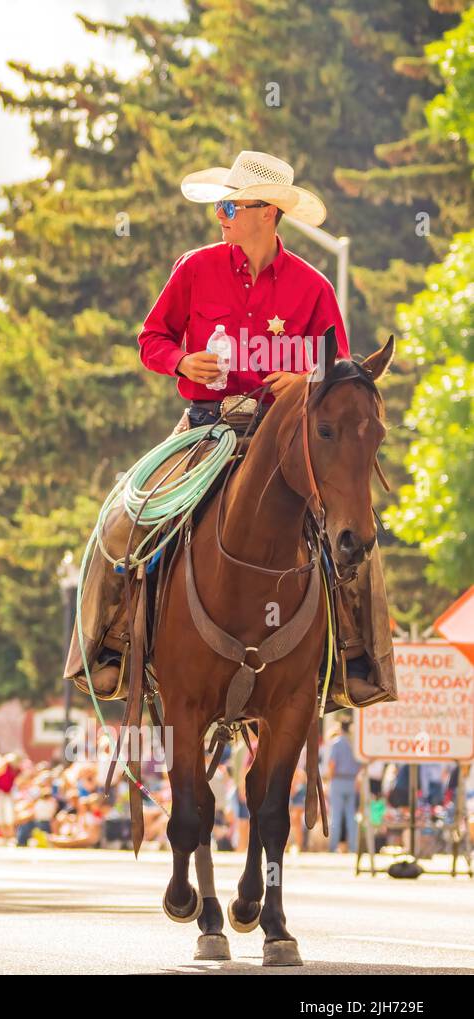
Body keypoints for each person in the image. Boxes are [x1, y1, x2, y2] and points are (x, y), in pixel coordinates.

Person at [65, 150, 395, 712]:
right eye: (220, 206)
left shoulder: (313, 288)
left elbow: (340, 376)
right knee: (127, 515)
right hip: (205, 427)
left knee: (356, 533)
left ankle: (358, 660)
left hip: (288, 439)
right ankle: (107, 647)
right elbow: (152, 338)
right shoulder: (195, 269)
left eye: (229, 207)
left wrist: (303, 378)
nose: (220, 217)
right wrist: (180, 363)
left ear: (266, 213)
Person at [327, 719, 362, 853]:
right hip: (352, 781)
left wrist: (329, 779)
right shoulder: (354, 744)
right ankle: (353, 847)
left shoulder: (337, 743)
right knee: (350, 816)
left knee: (335, 815)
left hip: (338, 780)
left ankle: (333, 846)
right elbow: (360, 764)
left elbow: (332, 764)